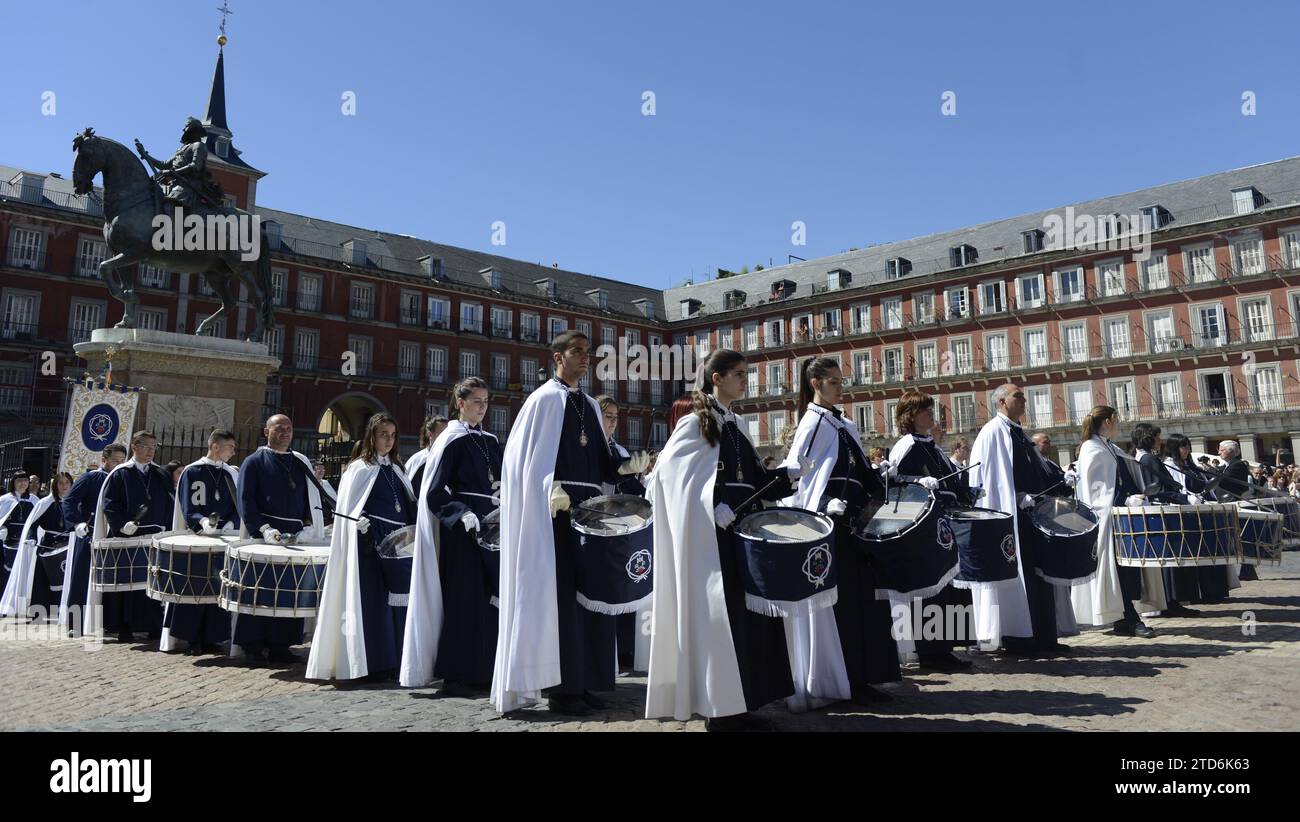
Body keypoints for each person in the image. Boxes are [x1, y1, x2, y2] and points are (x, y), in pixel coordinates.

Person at [491, 331, 648, 716]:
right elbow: (521, 463)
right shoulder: (542, 401)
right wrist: (547, 488)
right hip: (555, 515)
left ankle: (585, 680)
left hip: (589, 511)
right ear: (557, 357)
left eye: (588, 353)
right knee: (560, 600)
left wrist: (629, 466)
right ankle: (561, 688)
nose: (585, 358)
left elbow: (603, 461)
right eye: (577, 352)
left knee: (589, 597)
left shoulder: (591, 405)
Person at [645, 349, 796, 731]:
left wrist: (787, 477)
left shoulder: (736, 424)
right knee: (721, 622)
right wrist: (710, 505)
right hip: (713, 542)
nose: (745, 381)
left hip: (742, 535)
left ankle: (742, 702)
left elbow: (755, 479)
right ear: (717, 378)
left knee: (746, 621)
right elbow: (668, 477)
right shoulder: (697, 422)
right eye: (739, 374)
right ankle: (721, 711)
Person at [783, 357, 899, 710]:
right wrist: (822, 505)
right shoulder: (812, 423)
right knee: (842, 607)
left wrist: (885, 479)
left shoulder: (844, 424)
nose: (840, 386)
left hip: (856, 527)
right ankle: (842, 679)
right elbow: (800, 477)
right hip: (831, 530)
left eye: (840, 380)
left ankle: (864, 676)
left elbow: (860, 471)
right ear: (815, 383)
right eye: (833, 381)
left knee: (865, 602)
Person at [402, 378, 501, 695]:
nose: (482, 407)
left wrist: (502, 499)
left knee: (489, 602)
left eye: (486, 401)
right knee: (463, 602)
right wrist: (461, 513)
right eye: (476, 401)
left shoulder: (491, 441)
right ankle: (457, 674)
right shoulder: (452, 439)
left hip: (492, 528)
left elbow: (497, 480)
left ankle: (485, 669)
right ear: (460, 402)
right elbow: (434, 492)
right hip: (462, 533)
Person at [309, 413, 416, 682]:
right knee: (372, 606)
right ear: (372, 436)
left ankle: (395, 660)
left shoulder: (398, 469)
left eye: (392, 435)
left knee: (397, 606)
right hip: (368, 549)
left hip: (398, 549)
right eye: (383, 434)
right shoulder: (359, 468)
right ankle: (371, 663)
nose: (388, 440)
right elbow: (349, 510)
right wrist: (359, 522)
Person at [968, 384, 1066, 656]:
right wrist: (1017, 496)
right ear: (1001, 401)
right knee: (1020, 576)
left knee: (1039, 574)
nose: (1024, 400)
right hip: (1012, 519)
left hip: (1033, 515)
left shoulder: (1019, 433)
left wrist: (1059, 481)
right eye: (1018, 396)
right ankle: (1019, 637)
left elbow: (1039, 469)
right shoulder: (992, 433)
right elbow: (991, 481)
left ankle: (1045, 636)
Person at [887, 388, 975, 673]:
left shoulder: (932, 445)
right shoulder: (906, 445)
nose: (931, 414)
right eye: (925, 410)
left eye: (930, 409)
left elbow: (948, 478)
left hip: (941, 525)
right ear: (910, 416)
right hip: (921, 530)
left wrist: (967, 491)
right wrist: (918, 481)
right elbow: (894, 481)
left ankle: (945, 647)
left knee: (946, 585)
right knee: (929, 587)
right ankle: (930, 651)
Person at [236, 414, 332, 663]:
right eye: (279, 428)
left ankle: (281, 644)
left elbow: (311, 498)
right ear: (266, 431)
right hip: (264, 536)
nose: (285, 433)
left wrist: (308, 527)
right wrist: (263, 529)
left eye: (289, 428)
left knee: (290, 590)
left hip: (296, 539)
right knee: (260, 591)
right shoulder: (254, 461)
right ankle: (253, 646)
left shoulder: (299, 461)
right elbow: (246, 500)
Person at [1071, 407, 1166, 637]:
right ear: (1107, 421)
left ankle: (1124, 620)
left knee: (1126, 569)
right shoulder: (1092, 448)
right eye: (1117, 420)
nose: (1119, 424)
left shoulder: (1107, 446)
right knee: (1119, 571)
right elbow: (1096, 492)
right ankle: (1129, 619)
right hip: (1108, 518)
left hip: (1119, 516)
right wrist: (1125, 499)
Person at [88, 431, 171, 642]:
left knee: (151, 584)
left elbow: (171, 503)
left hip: (153, 536)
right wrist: (122, 525)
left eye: (154, 447)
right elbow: (109, 503)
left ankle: (152, 626)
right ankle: (124, 627)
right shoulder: (120, 473)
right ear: (134, 446)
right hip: (127, 538)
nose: (151, 451)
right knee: (126, 586)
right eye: (146, 446)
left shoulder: (160, 474)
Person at [162, 429, 239, 654]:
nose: (233, 452)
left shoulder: (231, 473)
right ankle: (192, 637)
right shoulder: (192, 471)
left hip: (223, 539)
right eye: (230, 447)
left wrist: (229, 524)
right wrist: (203, 522)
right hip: (197, 539)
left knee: (218, 587)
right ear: (216, 446)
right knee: (194, 587)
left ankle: (213, 636)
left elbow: (237, 506)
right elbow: (187, 505)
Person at [1131, 423, 1201, 619]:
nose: (1160, 441)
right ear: (1148, 438)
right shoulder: (1149, 459)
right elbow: (1159, 488)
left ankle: (1170, 601)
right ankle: (1171, 601)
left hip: (1153, 511)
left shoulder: (1140, 457)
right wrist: (1183, 498)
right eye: (1157, 437)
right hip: (1161, 512)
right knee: (1169, 560)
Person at [59, 445, 128, 635]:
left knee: (112, 581)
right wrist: (77, 523)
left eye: (123, 460)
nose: (119, 464)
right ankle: (76, 623)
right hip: (90, 533)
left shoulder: (123, 478)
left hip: (113, 535)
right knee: (83, 578)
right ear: (104, 460)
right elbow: (69, 501)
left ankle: (108, 622)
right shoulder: (91, 478)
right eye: (115, 460)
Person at [1164, 433, 1230, 604]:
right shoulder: (1170, 465)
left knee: (1211, 552)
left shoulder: (1190, 465)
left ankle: (1213, 591)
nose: (1187, 450)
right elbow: (1179, 490)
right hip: (1190, 515)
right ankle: (1199, 593)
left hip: (1205, 511)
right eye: (1183, 446)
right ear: (1174, 448)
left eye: (1188, 446)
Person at [0, 471, 72, 620]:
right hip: (48, 545)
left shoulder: (75, 502)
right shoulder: (46, 502)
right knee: (44, 580)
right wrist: (31, 538)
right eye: (60, 483)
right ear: (55, 485)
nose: (64, 486)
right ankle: (43, 610)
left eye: (67, 483)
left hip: (70, 545)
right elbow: (32, 524)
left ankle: (65, 609)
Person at [1216, 441, 1257, 580]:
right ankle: (1248, 570)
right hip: (1233, 502)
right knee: (1240, 537)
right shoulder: (1230, 465)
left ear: (1231, 451)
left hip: (1237, 503)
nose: (1219, 452)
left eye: (1222, 450)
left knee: (1242, 536)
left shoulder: (1237, 465)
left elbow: (1223, 481)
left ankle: (1248, 570)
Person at [0, 472, 37, 595]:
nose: (23, 483)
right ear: (13, 482)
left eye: (25, 480)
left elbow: (37, 522)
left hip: (26, 542)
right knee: (6, 570)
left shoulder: (34, 500)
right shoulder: (5, 499)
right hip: (7, 542)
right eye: (19, 480)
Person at [405, 416, 449, 492]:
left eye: (448, 433)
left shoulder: (451, 458)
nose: (447, 437)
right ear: (430, 435)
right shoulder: (417, 461)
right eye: (442, 433)